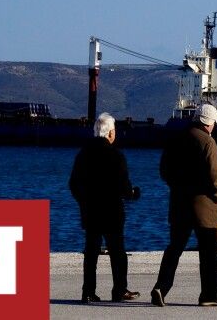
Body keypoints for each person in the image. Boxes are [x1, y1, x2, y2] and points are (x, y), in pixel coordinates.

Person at [151, 104, 217, 307]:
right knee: (209, 252)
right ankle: (209, 295)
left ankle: (161, 287)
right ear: (208, 123)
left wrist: (177, 187)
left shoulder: (175, 139)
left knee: (175, 248)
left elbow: (164, 170)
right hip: (204, 206)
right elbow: (215, 174)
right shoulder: (208, 142)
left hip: (179, 203)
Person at [69, 112, 141, 304]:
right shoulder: (116, 156)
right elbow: (125, 188)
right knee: (117, 252)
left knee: (91, 252)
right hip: (112, 212)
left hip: (90, 211)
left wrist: (83, 202)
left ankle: (88, 292)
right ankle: (119, 290)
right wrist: (133, 193)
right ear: (110, 133)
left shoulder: (82, 154)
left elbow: (73, 184)